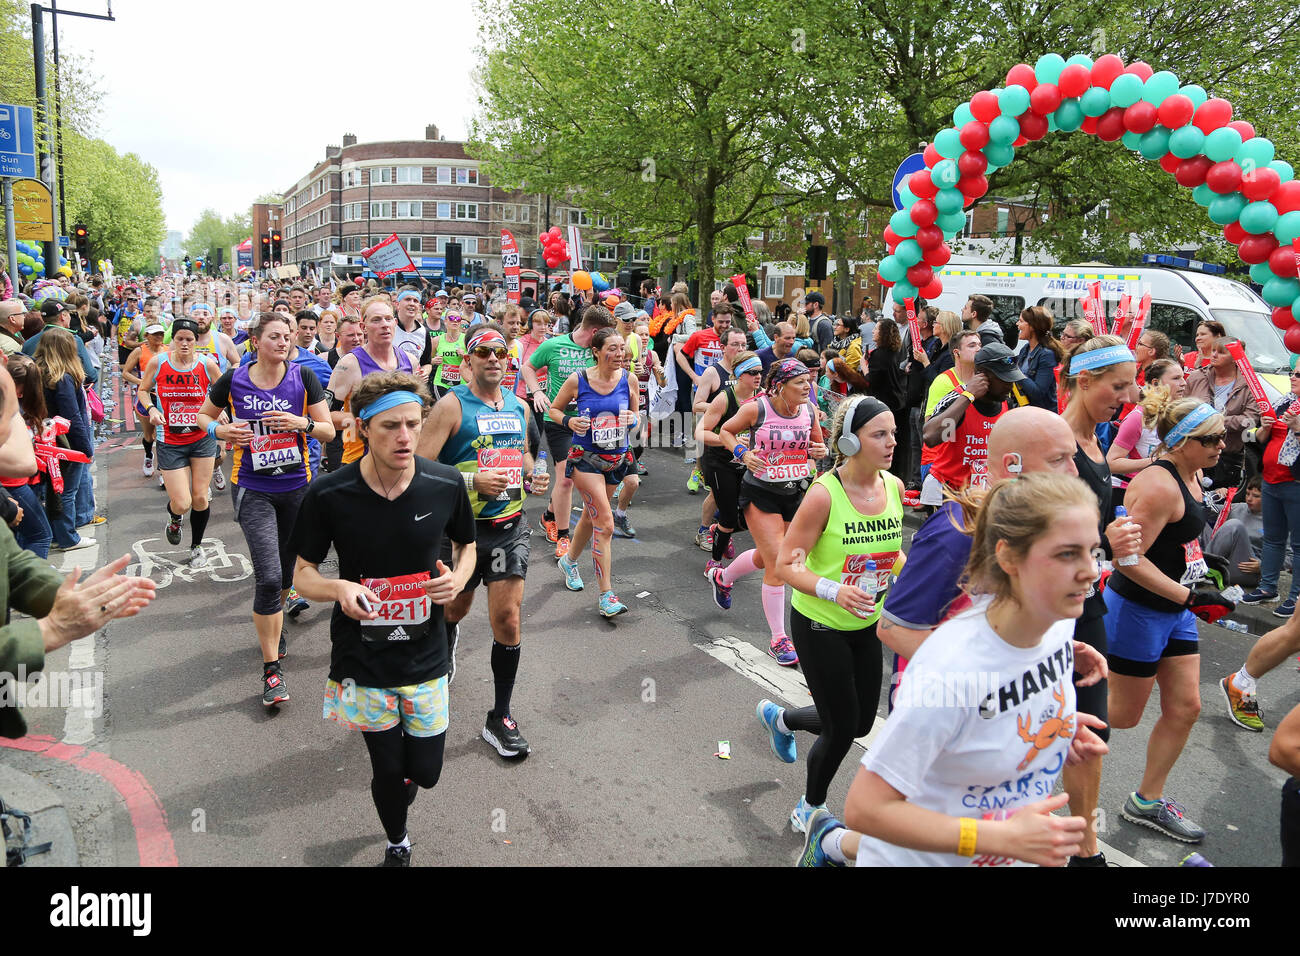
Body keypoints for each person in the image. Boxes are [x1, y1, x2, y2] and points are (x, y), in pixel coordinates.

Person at [839, 473, 1110, 867]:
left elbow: (1010, 689)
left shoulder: (1056, 620)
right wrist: (997, 838)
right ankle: (831, 843)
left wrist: (1056, 724)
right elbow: (865, 809)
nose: (1089, 572)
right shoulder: (950, 671)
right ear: (1008, 558)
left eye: (1093, 552)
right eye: (1067, 554)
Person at [291, 371, 474, 866]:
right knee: (387, 769)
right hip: (363, 656)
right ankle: (398, 839)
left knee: (427, 771)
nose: (406, 437)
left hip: (426, 653)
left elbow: (468, 545)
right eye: (391, 425)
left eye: (414, 424)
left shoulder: (445, 482)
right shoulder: (329, 494)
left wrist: (457, 578)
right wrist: (338, 588)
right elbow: (302, 576)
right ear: (362, 429)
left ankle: (403, 791)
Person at [757, 396, 903, 836]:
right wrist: (833, 590)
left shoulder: (892, 487)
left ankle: (781, 719)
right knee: (842, 729)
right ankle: (810, 807)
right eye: (880, 434)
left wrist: (916, 577)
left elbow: (889, 552)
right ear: (848, 441)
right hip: (820, 624)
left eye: (893, 432)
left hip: (865, 623)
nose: (892, 442)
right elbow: (786, 564)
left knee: (860, 721)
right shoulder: (825, 494)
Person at [1105, 395, 1237, 844]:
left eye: (1221, 436)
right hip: (1138, 610)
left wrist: (1203, 568)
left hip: (1174, 609)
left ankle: (1146, 801)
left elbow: (1177, 540)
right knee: (1119, 716)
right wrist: (1188, 595)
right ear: (1181, 443)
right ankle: (1027, 736)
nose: (1222, 445)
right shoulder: (1159, 485)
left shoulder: (1194, 472)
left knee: (1185, 708)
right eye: (1211, 439)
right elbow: (1126, 559)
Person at [417, 326, 549, 756]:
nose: (494, 358)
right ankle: (447, 636)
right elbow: (418, 466)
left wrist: (533, 471)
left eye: (501, 352)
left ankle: (500, 716)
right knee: (456, 606)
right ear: (467, 361)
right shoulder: (451, 406)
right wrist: (471, 479)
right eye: (484, 352)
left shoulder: (519, 406)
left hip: (509, 526)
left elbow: (523, 451)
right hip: (458, 532)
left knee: (508, 620)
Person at [197, 313, 336, 707]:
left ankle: (276, 616)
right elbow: (203, 416)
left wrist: (301, 422)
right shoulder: (234, 379)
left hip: (297, 487)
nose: (283, 341)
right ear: (255, 341)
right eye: (274, 336)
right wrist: (220, 431)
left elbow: (328, 430)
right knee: (270, 576)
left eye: (288, 335)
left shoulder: (304, 378)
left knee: (288, 569)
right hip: (252, 488)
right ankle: (272, 671)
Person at [1058, 333, 1140, 865]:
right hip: (1052, 612)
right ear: (1083, 380)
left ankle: (1082, 847)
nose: (1129, 396)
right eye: (1118, 384)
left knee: (1091, 729)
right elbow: (1028, 532)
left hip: (1087, 603)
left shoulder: (1095, 441)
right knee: (1047, 729)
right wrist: (1101, 541)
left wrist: (1111, 537)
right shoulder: (1059, 443)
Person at [716, 358, 828, 664]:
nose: (808, 387)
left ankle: (724, 578)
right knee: (779, 562)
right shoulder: (757, 408)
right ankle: (779, 638)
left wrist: (821, 452)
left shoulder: (808, 410)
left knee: (770, 556)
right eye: (800, 382)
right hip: (760, 492)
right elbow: (726, 430)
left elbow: (818, 448)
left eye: (809, 381)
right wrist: (743, 452)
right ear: (780, 386)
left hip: (795, 491)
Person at [549, 326, 638, 618]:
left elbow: (637, 419)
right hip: (585, 459)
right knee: (606, 524)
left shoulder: (629, 379)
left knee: (591, 516)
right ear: (596, 352)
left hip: (615, 459)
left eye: (621, 348)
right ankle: (606, 595)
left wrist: (632, 418)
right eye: (611, 348)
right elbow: (553, 410)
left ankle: (570, 560)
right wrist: (569, 422)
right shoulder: (579, 380)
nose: (618, 354)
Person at [522, 304, 611, 559]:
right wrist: (537, 391)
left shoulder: (598, 350)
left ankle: (549, 515)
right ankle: (563, 537)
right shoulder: (553, 345)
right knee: (566, 477)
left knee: (581, 477)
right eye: (603, 334)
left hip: (589, 423)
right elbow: (527, 367)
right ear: (594, 330)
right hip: (559, 420)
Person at [137, 318, 221, 567]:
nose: (184, 344)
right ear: (172, 340)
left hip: (201, 439)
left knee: (200, 498)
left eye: (189, 339)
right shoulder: (159, 362)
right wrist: (151, 408)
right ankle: (175, 518)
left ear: (197, 341)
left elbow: (223, 390)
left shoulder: (207, 364)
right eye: (180, 339)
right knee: (182, 503)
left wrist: (219, 411)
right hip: (170, 439)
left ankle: (197, 547)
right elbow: (143, 390)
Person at [919, 341, 1024, 507]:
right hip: (948, 494)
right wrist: (968, 396)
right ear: (982, 375)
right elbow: (931, 438)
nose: (1009, 386)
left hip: (982, 494)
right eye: (1004, 380)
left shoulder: (1006, 403)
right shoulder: (958, 400)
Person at [696, 352, 763, 587]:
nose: (758, 376)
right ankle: (714, 562)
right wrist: (730, 441)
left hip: (748, 463)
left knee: (753, 514)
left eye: (760, 372)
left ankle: (719, 532)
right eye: (752, 372)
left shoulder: (762, 398)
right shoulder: (725, 398)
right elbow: (700, 432)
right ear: (738, 374)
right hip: (720, 463)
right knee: (727, 515)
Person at [329, 299, 416, 469]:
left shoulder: (410, 361)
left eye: (388, 319)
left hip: (401, 459)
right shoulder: (349, 364)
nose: (384, 325)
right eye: (376, 320)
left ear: (395, 323)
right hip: (359, 461)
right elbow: (327, 417)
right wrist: (375, 419)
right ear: (363, 327)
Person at [34, 328, 95, 552]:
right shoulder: (64, 378)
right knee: (66, 490)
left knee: (52, 489)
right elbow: (73, 416)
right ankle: (68, 537)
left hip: (42, 439)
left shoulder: (36, 373)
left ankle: (55, 534)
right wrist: (86, 448)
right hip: (65, 443)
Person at [1106, 359, 1186, 510]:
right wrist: (1157, 461)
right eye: (1176, 378)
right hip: (1128, 494)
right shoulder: (1138, 418)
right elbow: (1111, 463)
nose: (1184, 383)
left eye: (1182, 377)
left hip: (1163, 492)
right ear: (1156, 383)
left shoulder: (1180, 416)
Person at [1185, 335, 1261, 488]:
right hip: (1194, 451)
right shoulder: (1197, 377)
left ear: (1235, 357)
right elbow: (1182, 409)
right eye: (1213, 350)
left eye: (1221, 352)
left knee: (1220, 503)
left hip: (1227, 455)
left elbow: (1250, 420)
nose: (1213, 355)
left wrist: (1214, 420)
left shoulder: (1250, 384)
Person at [1, 357, 52, 558]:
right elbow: (27, 464)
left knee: (14, 541)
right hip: (13, 484)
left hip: (12, 487)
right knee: (41, 535)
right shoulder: (12, 413)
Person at [1013, 306, 1065, 411]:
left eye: (1021, 321)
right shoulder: (1025, 349)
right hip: (1025, 412)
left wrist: (1015, 371)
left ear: (1032, 326)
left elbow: (1038, 392)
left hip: (1043, 415)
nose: (1017, 324)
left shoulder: (1046, 355)